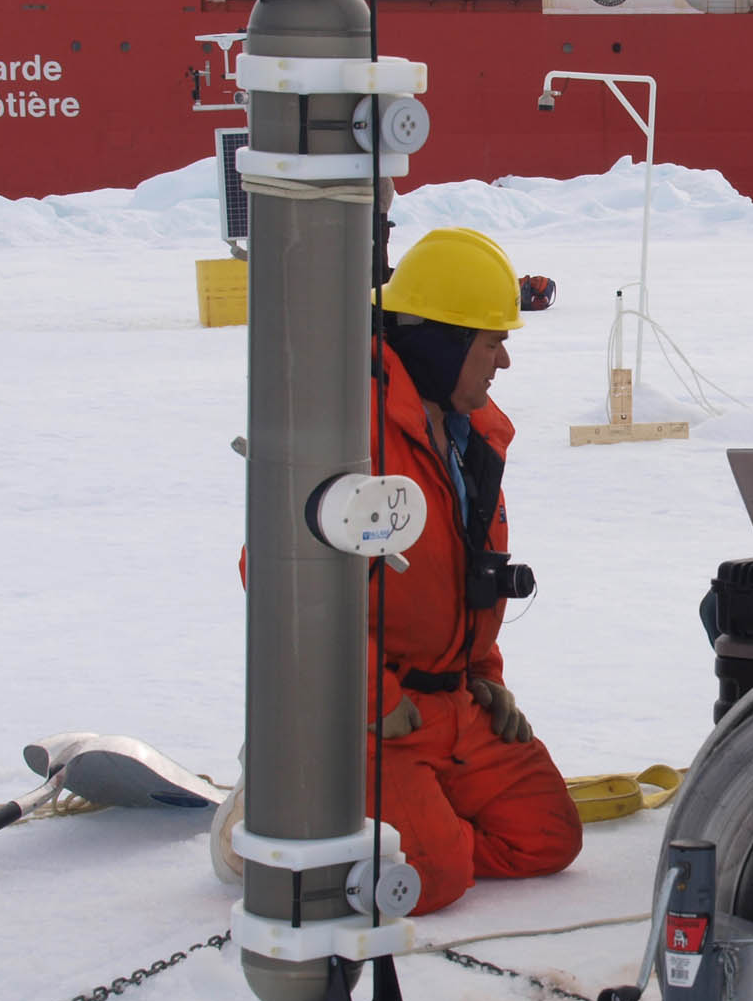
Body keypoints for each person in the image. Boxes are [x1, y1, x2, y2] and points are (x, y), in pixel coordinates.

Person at [214, 228, 583, 915]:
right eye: (489, 342)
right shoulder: (349, 430)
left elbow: (470, 576)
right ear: (441, 342)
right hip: (373, 711)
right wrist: (370, 698)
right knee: (429, 879)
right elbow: (272, 574)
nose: (502, 360)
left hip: (451, 702)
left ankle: (397, 820)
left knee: (547, 839)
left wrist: (484, 679)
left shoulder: (473, 438)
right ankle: (281, 806)